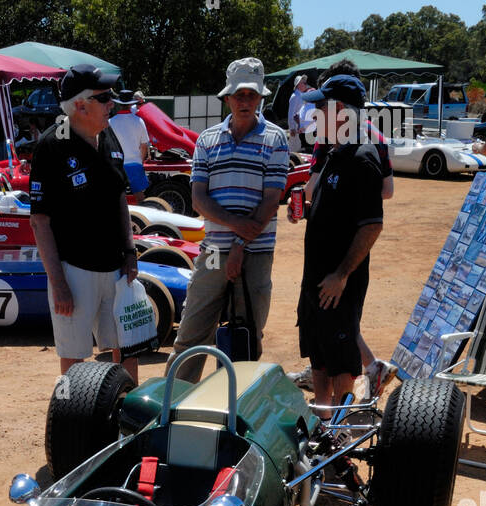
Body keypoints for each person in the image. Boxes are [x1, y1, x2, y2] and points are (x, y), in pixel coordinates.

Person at [166, 57, 288, 383]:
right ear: (228, 97)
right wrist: (236, 231)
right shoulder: (206, 140)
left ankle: (232, 410)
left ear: (260, 97)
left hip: (256, 252)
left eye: (251, 94)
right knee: (190, 334)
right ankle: (172, 405)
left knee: (245, 340)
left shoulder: (276, 139)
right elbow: (198, 199)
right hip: (215, 251)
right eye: (239, 94)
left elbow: (270, 202)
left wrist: (239, 244)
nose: (245, 101)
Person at [29, 63, 141, 383]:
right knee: (76, 355)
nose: (113, 103)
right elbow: (40, 221)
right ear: (79, 106)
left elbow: (119, 195)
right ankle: (74, 421)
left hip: (115, 268)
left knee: (127, 346)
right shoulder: (52, 146)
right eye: (104, 97)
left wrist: (129, 251)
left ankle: (129, 413)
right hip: (73, 270)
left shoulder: (107, 136)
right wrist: (59, 283)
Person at [300, 59, 396, 398]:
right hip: (316, 280)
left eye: (319, 108)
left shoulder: (362, 158)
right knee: (320, 362)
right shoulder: (332, 154)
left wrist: (341, 275)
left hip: (337, 283)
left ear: (339, 110)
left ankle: (339, 439)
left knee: (342, 365)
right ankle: (324, 430)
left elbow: (372, 225)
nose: (314, 115)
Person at [110, 89, 150, 194]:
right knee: (140, 197)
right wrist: (140, 161)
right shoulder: (139, 121)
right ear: (131, 104)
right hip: (135, 164)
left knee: (118, 196)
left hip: (117, 165)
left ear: (119, 104)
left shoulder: (111, 122)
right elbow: (144, 145)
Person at [287, 74, 314, 152]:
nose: (305, 84)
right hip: (296, 127)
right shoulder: (295, 96)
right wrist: (292, 128)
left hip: (301, 127)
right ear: (298, 84)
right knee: (294, 148)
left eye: (305, 82)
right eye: (303, 83)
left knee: (300, 147)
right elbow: (291, 113)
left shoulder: (301, 95)